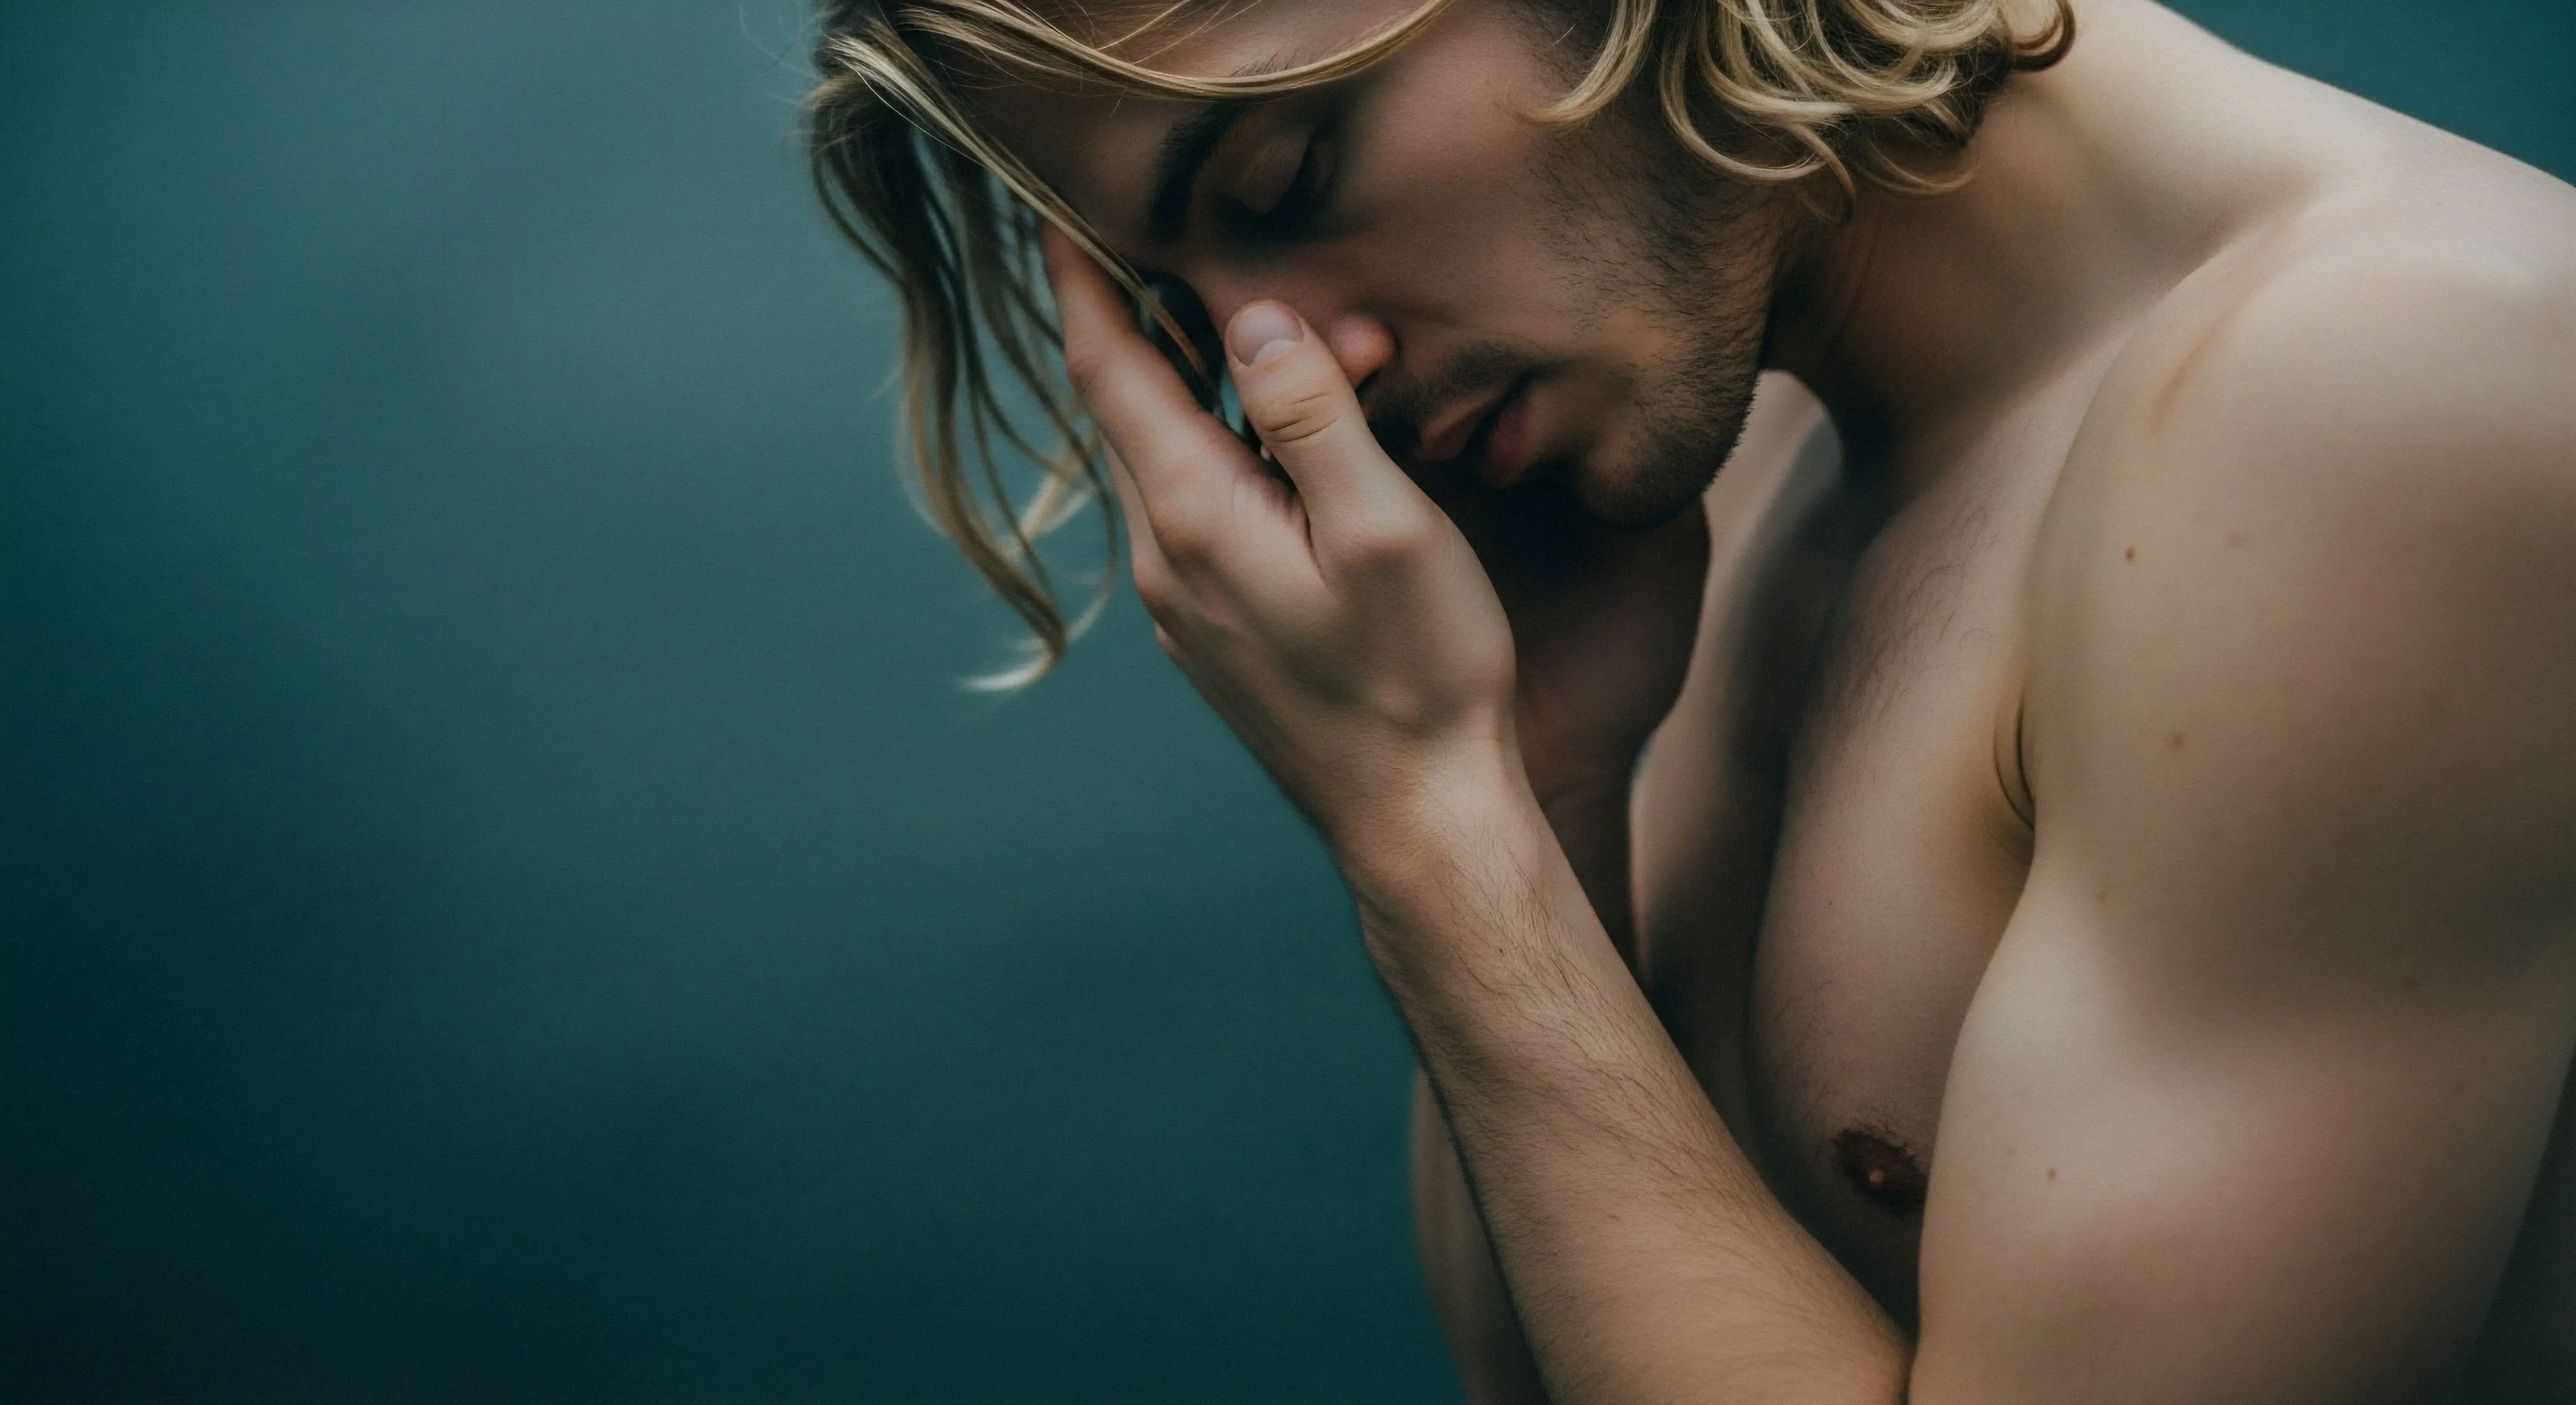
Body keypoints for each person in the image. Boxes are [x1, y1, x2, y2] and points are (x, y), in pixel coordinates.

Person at [805, 0, 2576, 1398]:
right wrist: (1542, 792)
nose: (1297, 371)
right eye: (1186, 306)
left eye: (1281, 184)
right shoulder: (1717, 458)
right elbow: (1551, 1370)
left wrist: (1431, 833)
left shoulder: (2377, 388)